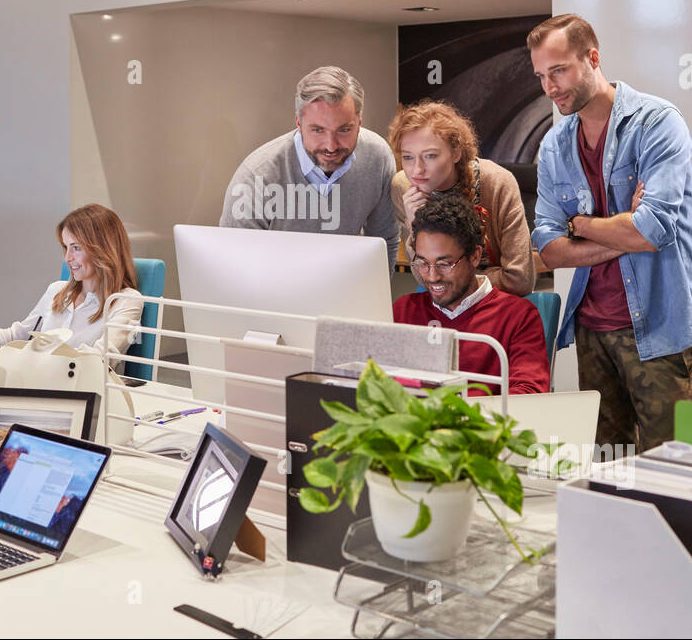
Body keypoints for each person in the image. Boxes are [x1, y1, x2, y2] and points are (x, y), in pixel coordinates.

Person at [529, 14, 692, 452]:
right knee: (607, 470)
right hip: (591, 330)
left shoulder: (656, 122)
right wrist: (621, 225)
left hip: (659, 329)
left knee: (667, 468)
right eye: (541, 76)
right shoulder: (554, 145)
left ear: (592, 58)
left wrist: (580, 225)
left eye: (559, 71)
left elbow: (651, 231)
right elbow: (549, 250)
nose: (550, 87)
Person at [219, 65, 399, 269]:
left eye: (344, 129)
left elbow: (384, 243)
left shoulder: (377, 158)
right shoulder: (256, 176)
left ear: (359, 121)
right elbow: (234, 265)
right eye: (318, 130)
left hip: (344, 284)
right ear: (298, 122)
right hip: (271, 286)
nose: (331, 146)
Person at [393, 196, 550, 395]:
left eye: (444, 264)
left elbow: (529, 392)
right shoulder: (404, 311)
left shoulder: (518, 317)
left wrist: (456, 409)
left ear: (475, 256)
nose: (432, 277)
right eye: (423, 263)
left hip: (484, 416)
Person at [389, 99, 536, 297]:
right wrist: (417, 228)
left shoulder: (496, 182)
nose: (417, 170)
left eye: (430, 156)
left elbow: (519, 280)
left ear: (456, 152)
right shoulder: (403, 187)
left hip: (498, 303)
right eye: (408, 157)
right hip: (443, 304)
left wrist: (449, 278)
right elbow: (426, 278)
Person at [0, 204, 144, 353]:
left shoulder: (126, 301)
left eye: (76, 248)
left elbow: (99, 358)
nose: (67, 258)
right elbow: (16, 336)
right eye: (66, 247)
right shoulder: (56, 290)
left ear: (103, 250)